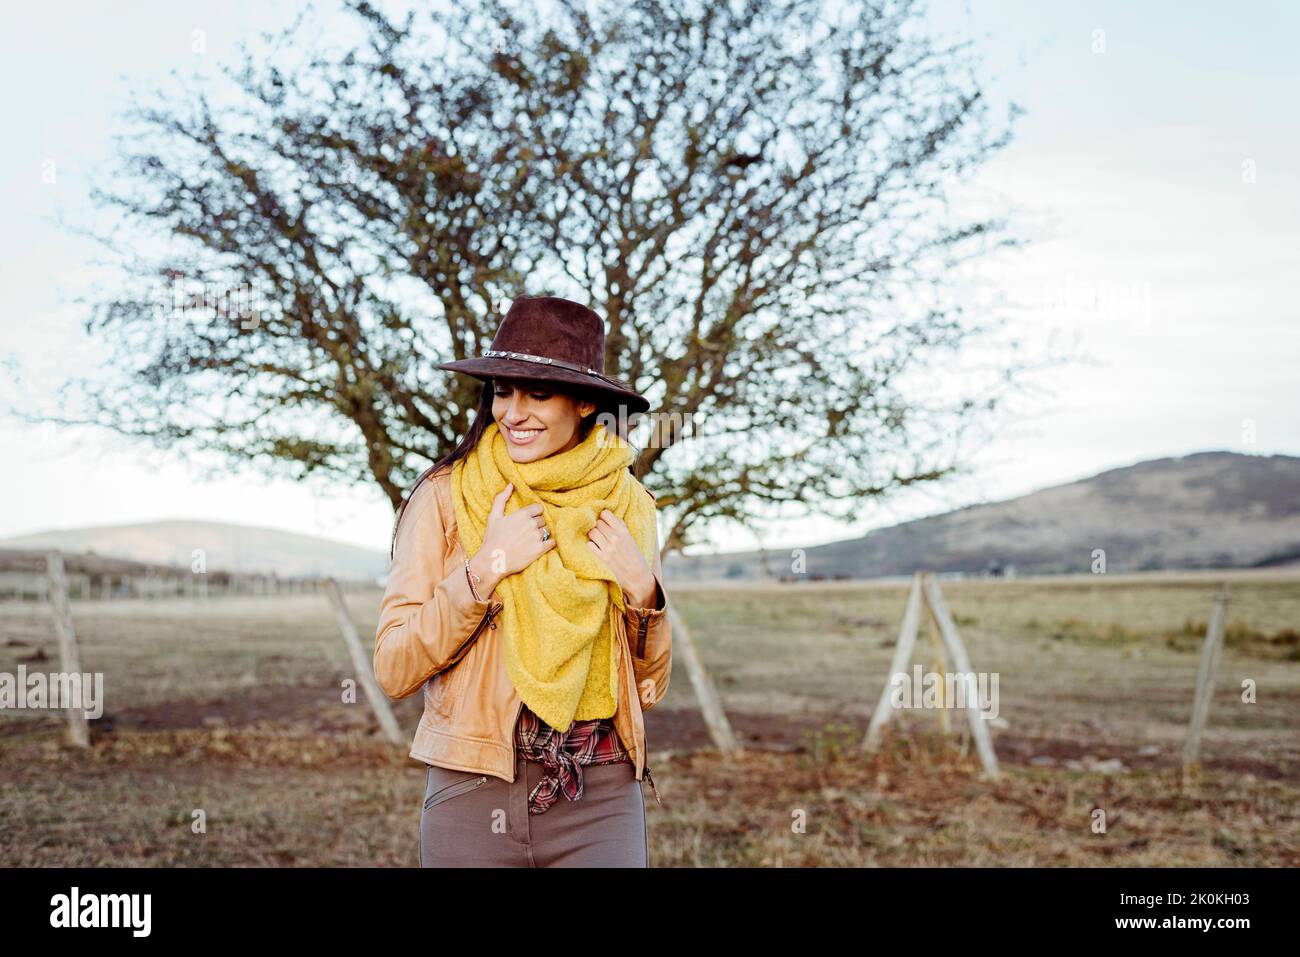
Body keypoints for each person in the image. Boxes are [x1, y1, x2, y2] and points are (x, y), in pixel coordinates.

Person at [373, 295, 672, 867]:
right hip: (473, 788)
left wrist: (644, 597)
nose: (512, 413)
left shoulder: (630, 505)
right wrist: (483, 570)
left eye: (537, 393)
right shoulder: (444, 496)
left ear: (585, 402)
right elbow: (395, 666)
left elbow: (649, 688)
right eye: (502, 391)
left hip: (601, 793)